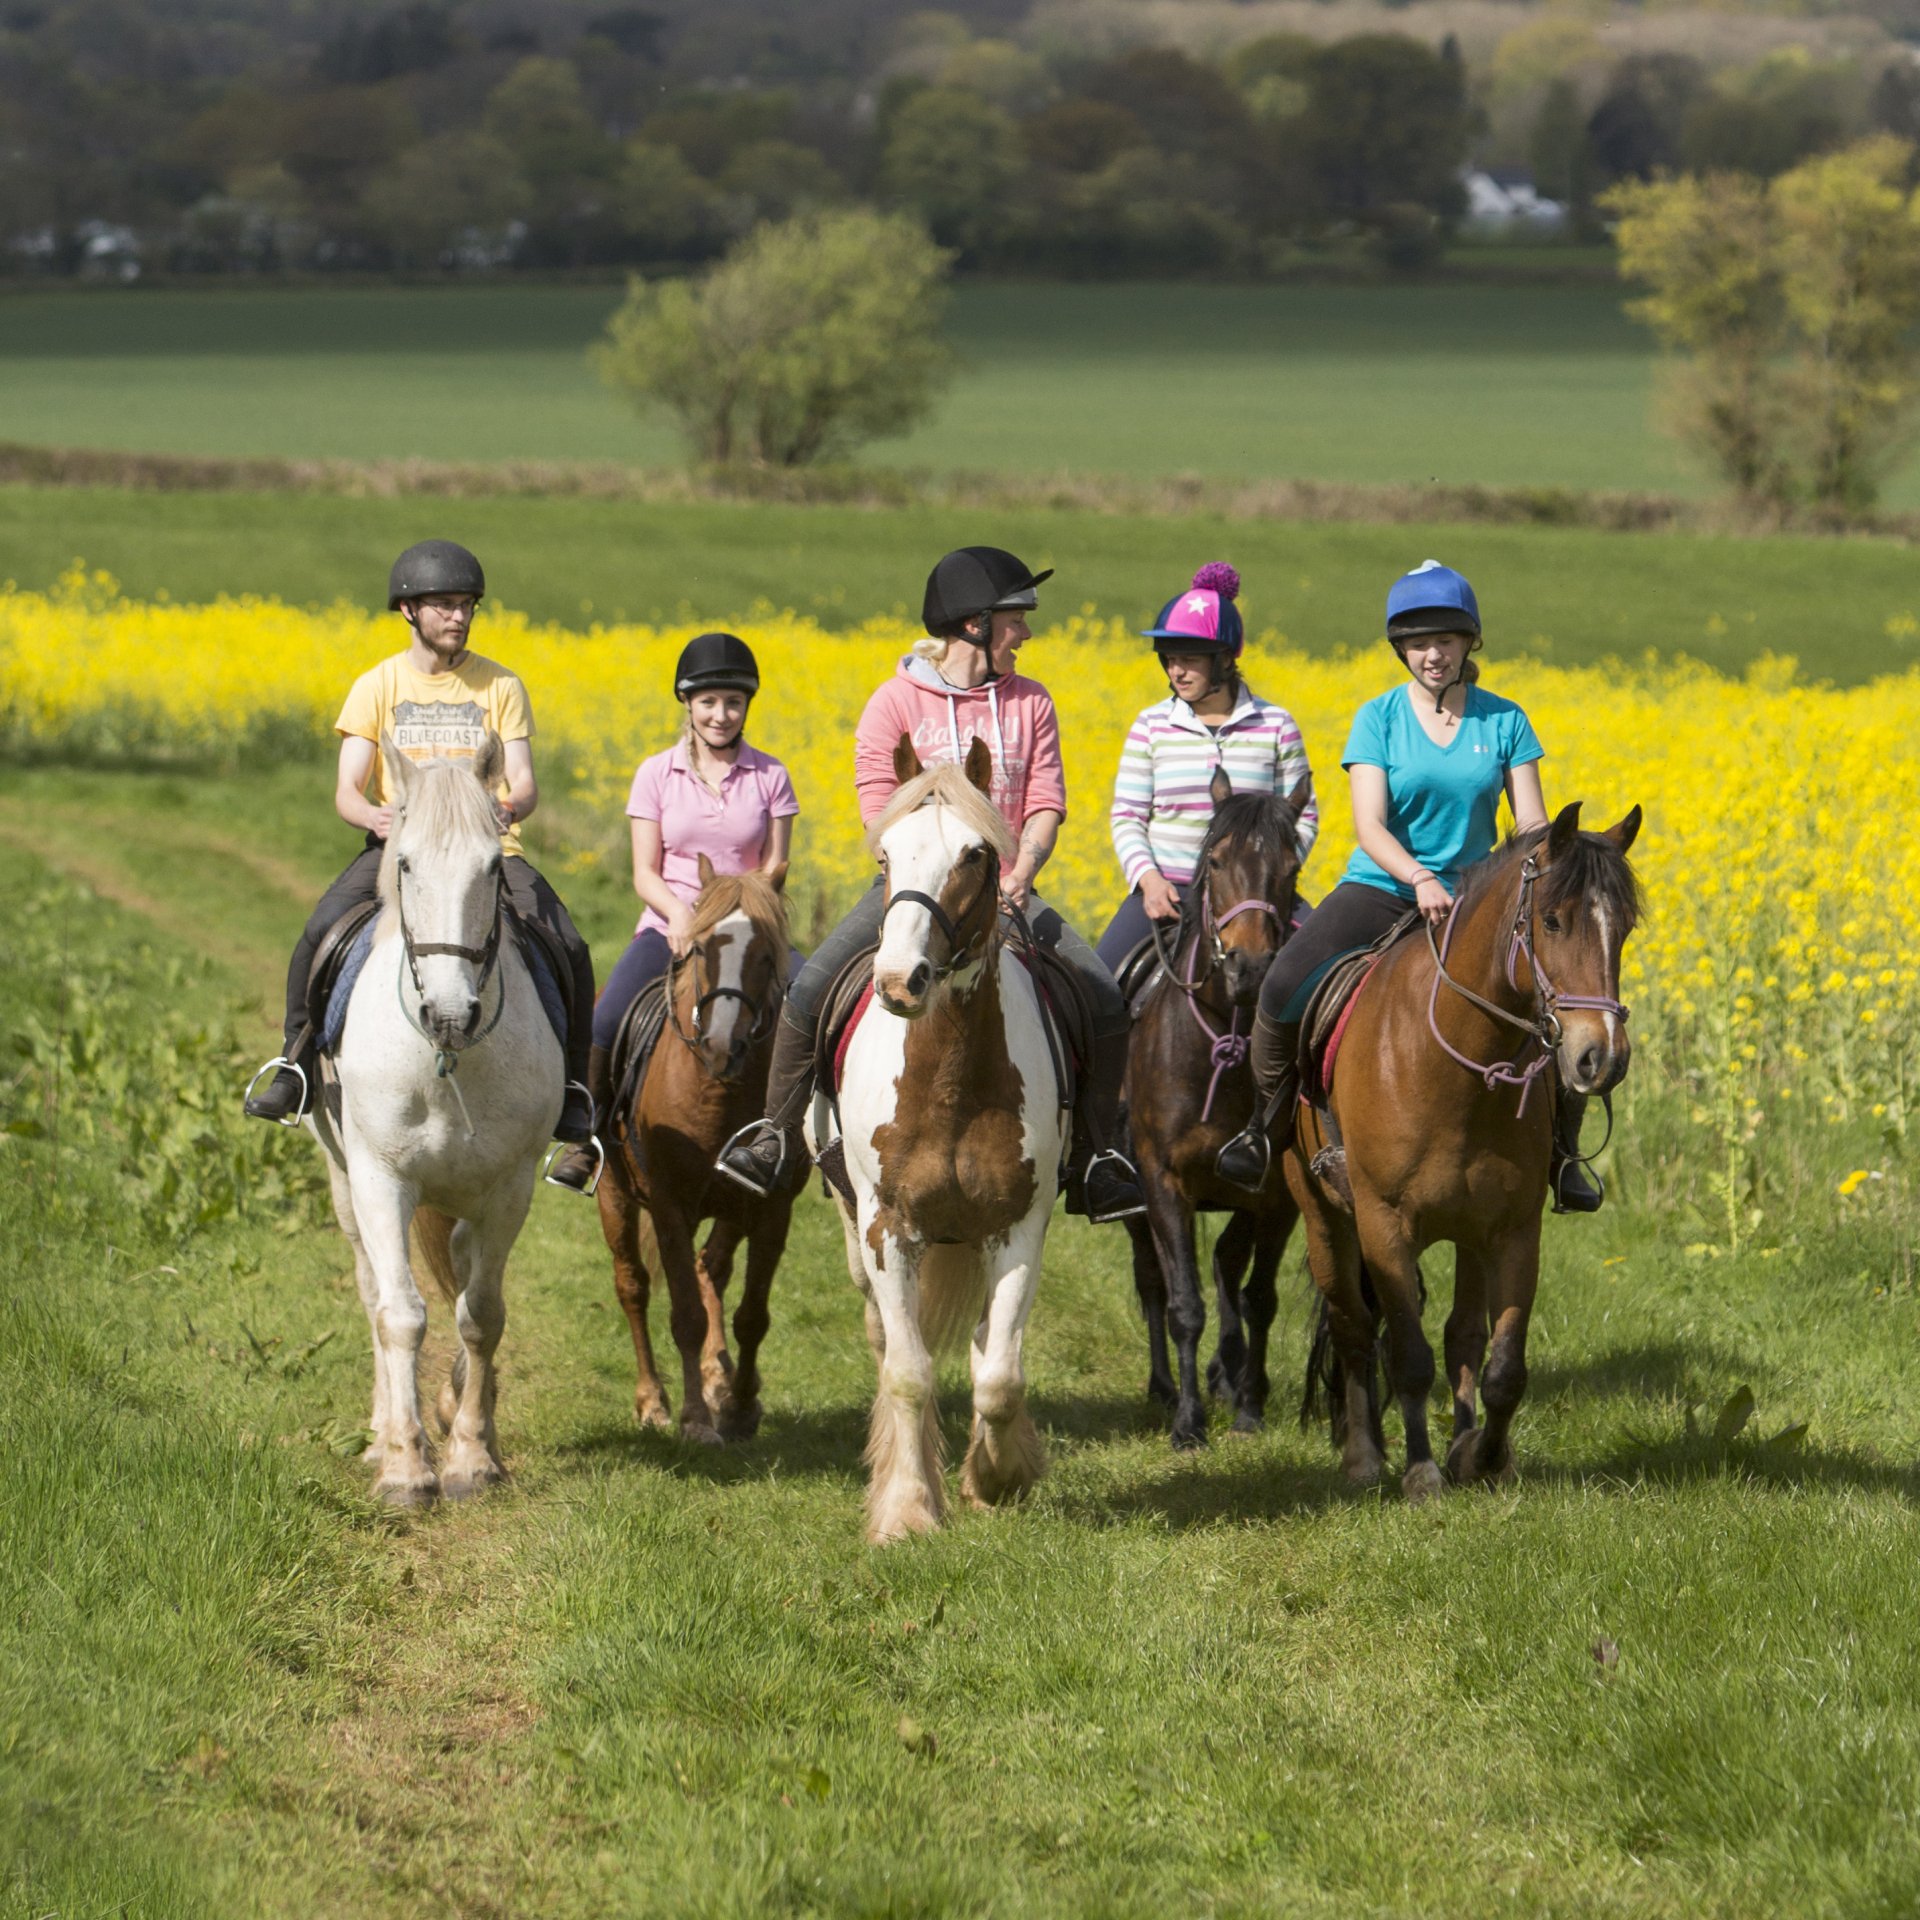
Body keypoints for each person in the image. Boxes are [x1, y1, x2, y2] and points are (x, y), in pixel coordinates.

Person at [714, 545, 1147, 1224]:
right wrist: (921, 874)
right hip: (911, 890)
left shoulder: (1031, 701)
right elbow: (876, 811)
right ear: (975, 623)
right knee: (809, 989)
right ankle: (773, 1134)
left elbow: (1045, 801)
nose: (1026, 632)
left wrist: (1021, 874)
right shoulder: (893, 703)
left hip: (1005, 888)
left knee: (1103, 998)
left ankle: (1097, 1157)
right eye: (1015, 619)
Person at [1214, 559, 1603, 1212]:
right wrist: (1419, 875)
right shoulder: (1378, 719)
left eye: (1445, 640)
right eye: (1419, 643)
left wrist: (1556, 864)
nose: (1433, 654)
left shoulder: (1506, 721)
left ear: (1468, 643)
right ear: (1401, 648)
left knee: (1556, 1003)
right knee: (1281, 986)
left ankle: (1563, 1157)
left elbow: (1531, 824)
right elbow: (1370, 826)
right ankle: (1263, 1130)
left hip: (1477, 901)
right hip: (1383, 887)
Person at [243, 539, 600, 1188]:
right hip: (402, 852)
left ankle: (574, 1091)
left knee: (569, 946)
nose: (458, 617)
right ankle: (295, 1065)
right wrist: (374, 817)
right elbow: (348, 788)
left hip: (487, 851)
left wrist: (506, 808)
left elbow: (523, 780)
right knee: (320, 931)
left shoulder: (501, 685)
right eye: (443, 605)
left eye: (466, 606)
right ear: (408, 610)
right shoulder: (377, 686)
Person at [547, 631, 799, 1188]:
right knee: (607, 1017)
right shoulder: (656, 774)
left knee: (809, 1006)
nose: (721, 715)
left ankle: (803, 1138)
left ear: (747, 706)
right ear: (687, 702)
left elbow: (775, 867)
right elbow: (645, 871)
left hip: (750, 929)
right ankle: (587, 1139)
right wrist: (683, 917)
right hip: (672, 923)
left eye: (733, 702)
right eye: (708, 701)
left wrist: (743, 913)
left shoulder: (771, 775)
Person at [1096, 561, 1319, 972]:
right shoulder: (1150, 726)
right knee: (1099, 984)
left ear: (1224, 660)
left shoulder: (1277, 725)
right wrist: (1149, 880)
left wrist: (1271, 877)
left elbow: (1304, 818)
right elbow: (1127, 817)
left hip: (1257, 893)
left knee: (1319, 971)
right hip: (1170, 890)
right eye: (1169, 659)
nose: (1176, 671)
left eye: (1190, 660)